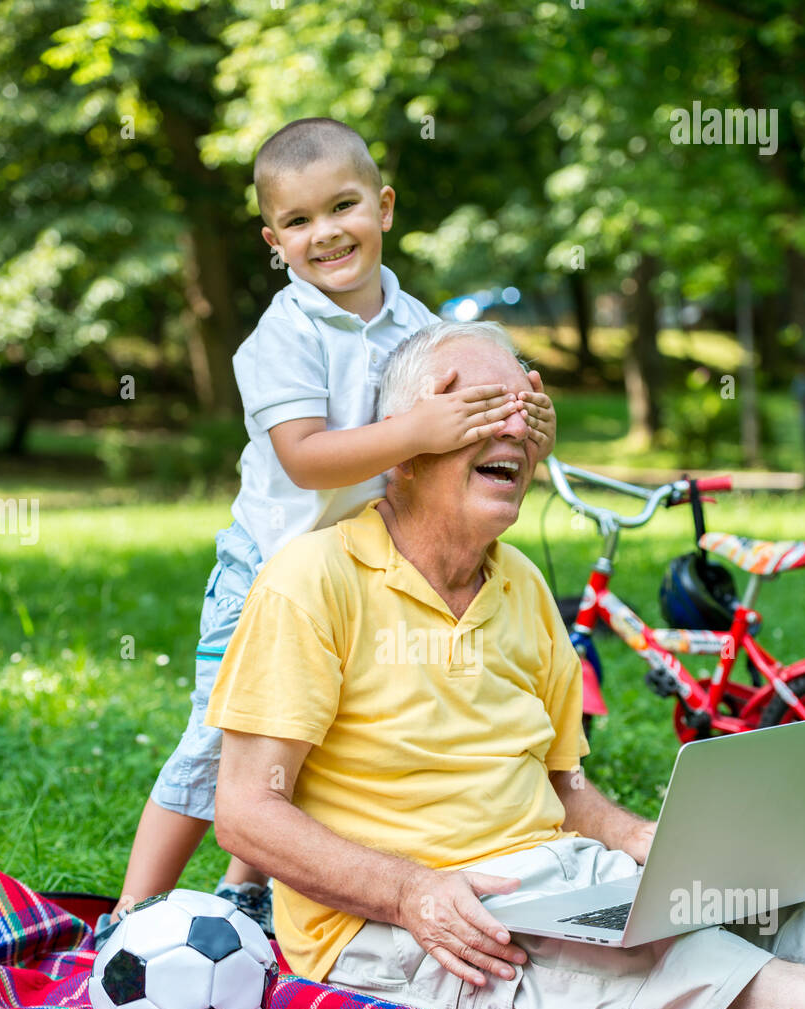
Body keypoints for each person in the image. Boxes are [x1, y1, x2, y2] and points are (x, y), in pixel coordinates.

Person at [206, 319, 805, 1009]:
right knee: (697, 964)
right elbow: (246, 812)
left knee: (782, 909)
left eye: (524, 408)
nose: (514, 427)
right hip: (403, 926)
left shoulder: (521, 584)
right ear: (403, 446)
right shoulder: (311, 581)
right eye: (482, 407)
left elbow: (564, 788)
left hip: (559, 884)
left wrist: (641, 840)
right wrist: (408, 891)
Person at [99, 118, 555, 940]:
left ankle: (246, 889)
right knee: (219, 742)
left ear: (382, 207)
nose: (325, 234)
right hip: (268, 574)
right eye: (299, 222)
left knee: (312, 739)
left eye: (342, 206)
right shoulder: (283, 336)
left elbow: (462, 422)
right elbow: (306, 458)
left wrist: (514, 415)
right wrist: (419, 430)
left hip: (358, 574)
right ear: (273, 240)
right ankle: (134, 909)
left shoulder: (417, 322)